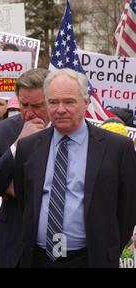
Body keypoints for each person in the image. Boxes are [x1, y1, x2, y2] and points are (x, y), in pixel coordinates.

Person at [14, 68, 136, 268]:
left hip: (90, 259)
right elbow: (25, 201)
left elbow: (128, 209)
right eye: (53, 102)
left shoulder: (118, 148)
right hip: (38, 258)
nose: (60, 109)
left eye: (69, 101)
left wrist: (108, 250)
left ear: (85, 103)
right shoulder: (28, 147)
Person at [0, 68, 50, 268]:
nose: (29, 113)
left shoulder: (65, 130)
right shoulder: (2, 131)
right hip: (12, 245)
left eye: (37, 105)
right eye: (24, 105)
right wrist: (17, 144)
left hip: (56, 245)